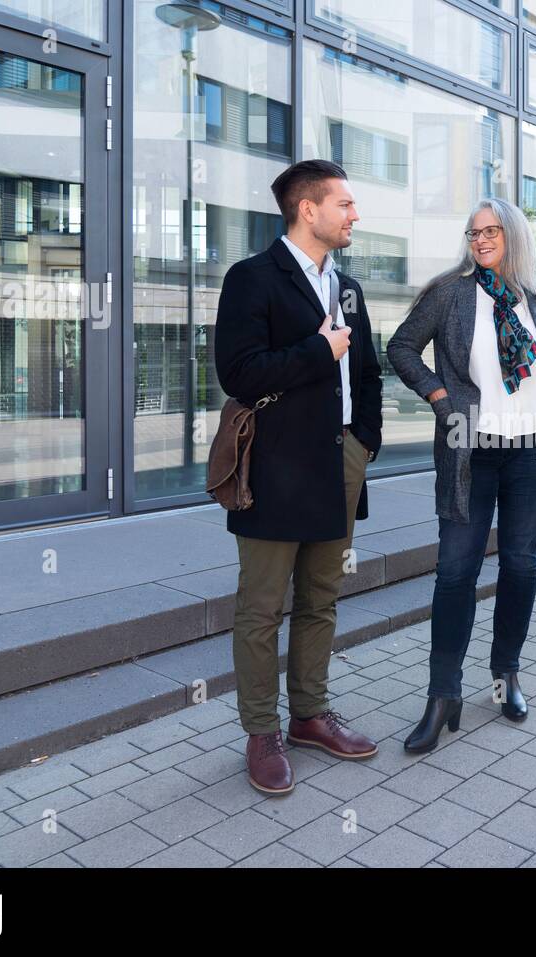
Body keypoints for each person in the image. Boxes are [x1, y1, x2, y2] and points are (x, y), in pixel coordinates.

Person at [387, 198, 536, 753]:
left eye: (491, 230)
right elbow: (401, 347)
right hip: (469, 448)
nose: (480, 239)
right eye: (473, 232)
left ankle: (506, 675)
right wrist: (440, 396)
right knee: (455, 572)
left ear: (514, 236)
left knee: (522, 566)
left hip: (530, 453)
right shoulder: (450, 292)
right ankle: (442, 695)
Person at [213, 160, 383, 795]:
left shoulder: (348, 287)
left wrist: (365, 439)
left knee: (321, 598)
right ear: (307, 210)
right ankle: (262, 733)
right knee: (261, 607)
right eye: (344, 203)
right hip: (276, 468)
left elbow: (366, 373)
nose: (354, 215)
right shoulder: (252, 278)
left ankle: (309, 715)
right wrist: (318, 352)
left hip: (341, 459)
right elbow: (241, 373)